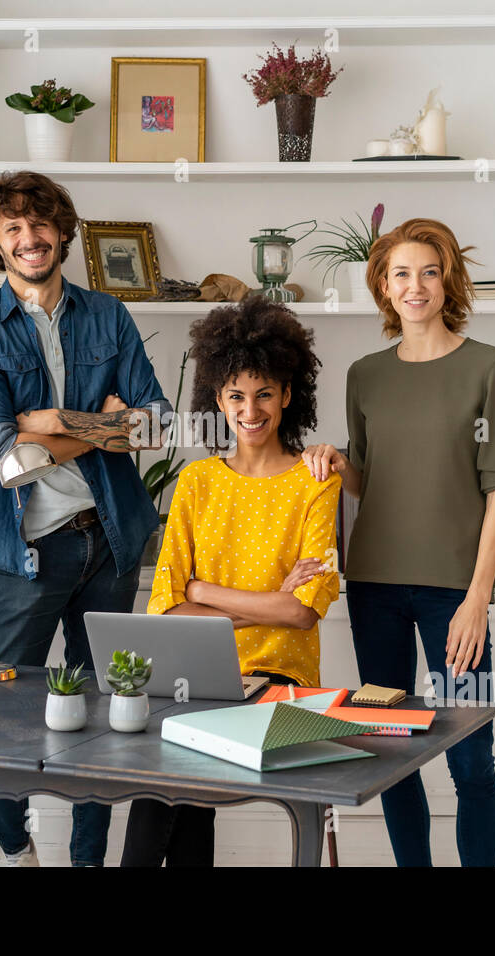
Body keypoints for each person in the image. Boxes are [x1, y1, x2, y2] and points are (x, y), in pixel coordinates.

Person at [0, 170, 170, 867]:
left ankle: (85, 860)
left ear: (63, 234)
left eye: (39, 225)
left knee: (104, 712)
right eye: (12, 228)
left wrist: (51, 424)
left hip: (109, 540)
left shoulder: (109, 315)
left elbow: (154, 425)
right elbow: (8, 455)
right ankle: (15, 849)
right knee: (7, 714)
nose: (28, 238)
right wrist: (98, 425)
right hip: (24, 549)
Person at [302, 217, 495, 867]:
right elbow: (369, 482)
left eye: (429, 270)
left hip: (455, 589)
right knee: (394, 754)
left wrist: (476, 599)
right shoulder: (366, 374)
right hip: (372, 587)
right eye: (401, 272)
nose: (415, 284)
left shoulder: (489, 367)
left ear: (448, 279)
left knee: (471, 759)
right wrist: (338, 463)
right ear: (383, 285)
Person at [121, 295, 341, 867]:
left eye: (265, 393)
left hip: (277, 680)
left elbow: (302, 613)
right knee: (164, 781)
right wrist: (267, 600)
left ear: (288, 395)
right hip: (196, 675)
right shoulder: (196, 482)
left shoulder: (315, 482)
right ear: (218, 399)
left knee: (174, 769)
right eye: (237, 395)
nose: (251, 410)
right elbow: (166, 612)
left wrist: (204, 592)